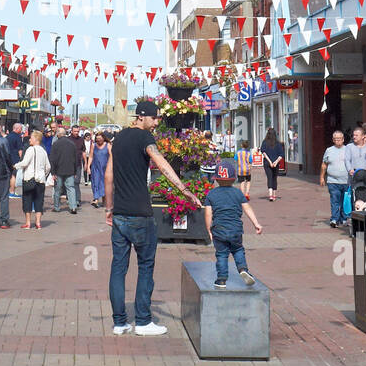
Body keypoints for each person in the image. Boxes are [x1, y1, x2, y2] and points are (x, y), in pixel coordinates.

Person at [103, 100, 201, 337]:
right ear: (142, 117)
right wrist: (185, 190)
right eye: (155, 118)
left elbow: (108, 176)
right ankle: (144, 321)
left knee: (118, 268)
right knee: (146, 267)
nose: (157, 122)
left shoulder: (117, 140)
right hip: (141, 215)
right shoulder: (145, 139)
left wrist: (109, 208)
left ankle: (119, 323)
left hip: (120, 215)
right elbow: (162, 164)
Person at [204, 159, 262, 287]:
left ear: (216, 179)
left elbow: (208, 213)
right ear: (233, 179)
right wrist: (256, 223)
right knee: (238, 249)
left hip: (219, 229)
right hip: (236, 229)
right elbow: (247, 208)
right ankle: (243, 270)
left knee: (222, 254)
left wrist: (209, 230)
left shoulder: (211, 194)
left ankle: (221, 279)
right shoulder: (237, 193)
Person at [14, 129, 51, 230]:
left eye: (31, 137)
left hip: (29, 179)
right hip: (41, 180)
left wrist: (16, 166)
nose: (29, 139)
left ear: (35, 139)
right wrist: (43, 175)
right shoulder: (43, 151)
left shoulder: (30, 149)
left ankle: (28, 223)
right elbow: (48, 166)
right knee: (39, 201)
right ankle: (38, 223)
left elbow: (25, 163)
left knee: (27, 200)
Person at [48, 125, 82, 213]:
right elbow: (75, 158)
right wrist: (75, 171)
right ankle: (73, 207)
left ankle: (57, 207)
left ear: (59, 134)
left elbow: (52, 159)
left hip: (58, 170)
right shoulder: (72, 144)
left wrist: (53, 172)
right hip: (70, 170)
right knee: (71, 188)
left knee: (58, 189)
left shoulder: (56, 144)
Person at [320, 129, 350, 227]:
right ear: (333, 140)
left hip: (346, 181)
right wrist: (322, 177)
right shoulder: (329, 150)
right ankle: (334, 219)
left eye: (339, 139)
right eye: (335, 139)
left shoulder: (348, 150)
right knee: (335, 200)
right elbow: (324, 164)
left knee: (344, 201)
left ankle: (344, 218)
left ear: (343, 139)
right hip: (332, 181)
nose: (337, 141)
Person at [260, 128, 285, 202]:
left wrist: (270, 162)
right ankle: (274, 195)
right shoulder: (278, 144)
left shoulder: (264, 142)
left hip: (267, 163)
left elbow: (264, 152)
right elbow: (281, 155)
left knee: (269, 178)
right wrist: (276, 162)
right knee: (274, 178)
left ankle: (270, 195)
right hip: (275, 164)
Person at [88, 131, 110, 207]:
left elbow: (111, 156)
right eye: (97, 139)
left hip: (105, 168)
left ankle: (104, 200)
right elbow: (90, 156)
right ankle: (96, 199)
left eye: (100, 139)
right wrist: (88, 167)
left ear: (103, 138)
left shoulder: (108, 145)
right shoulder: (93, 145)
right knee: (96, 182)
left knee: (104, 184)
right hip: (96, 168)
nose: (99, 141)